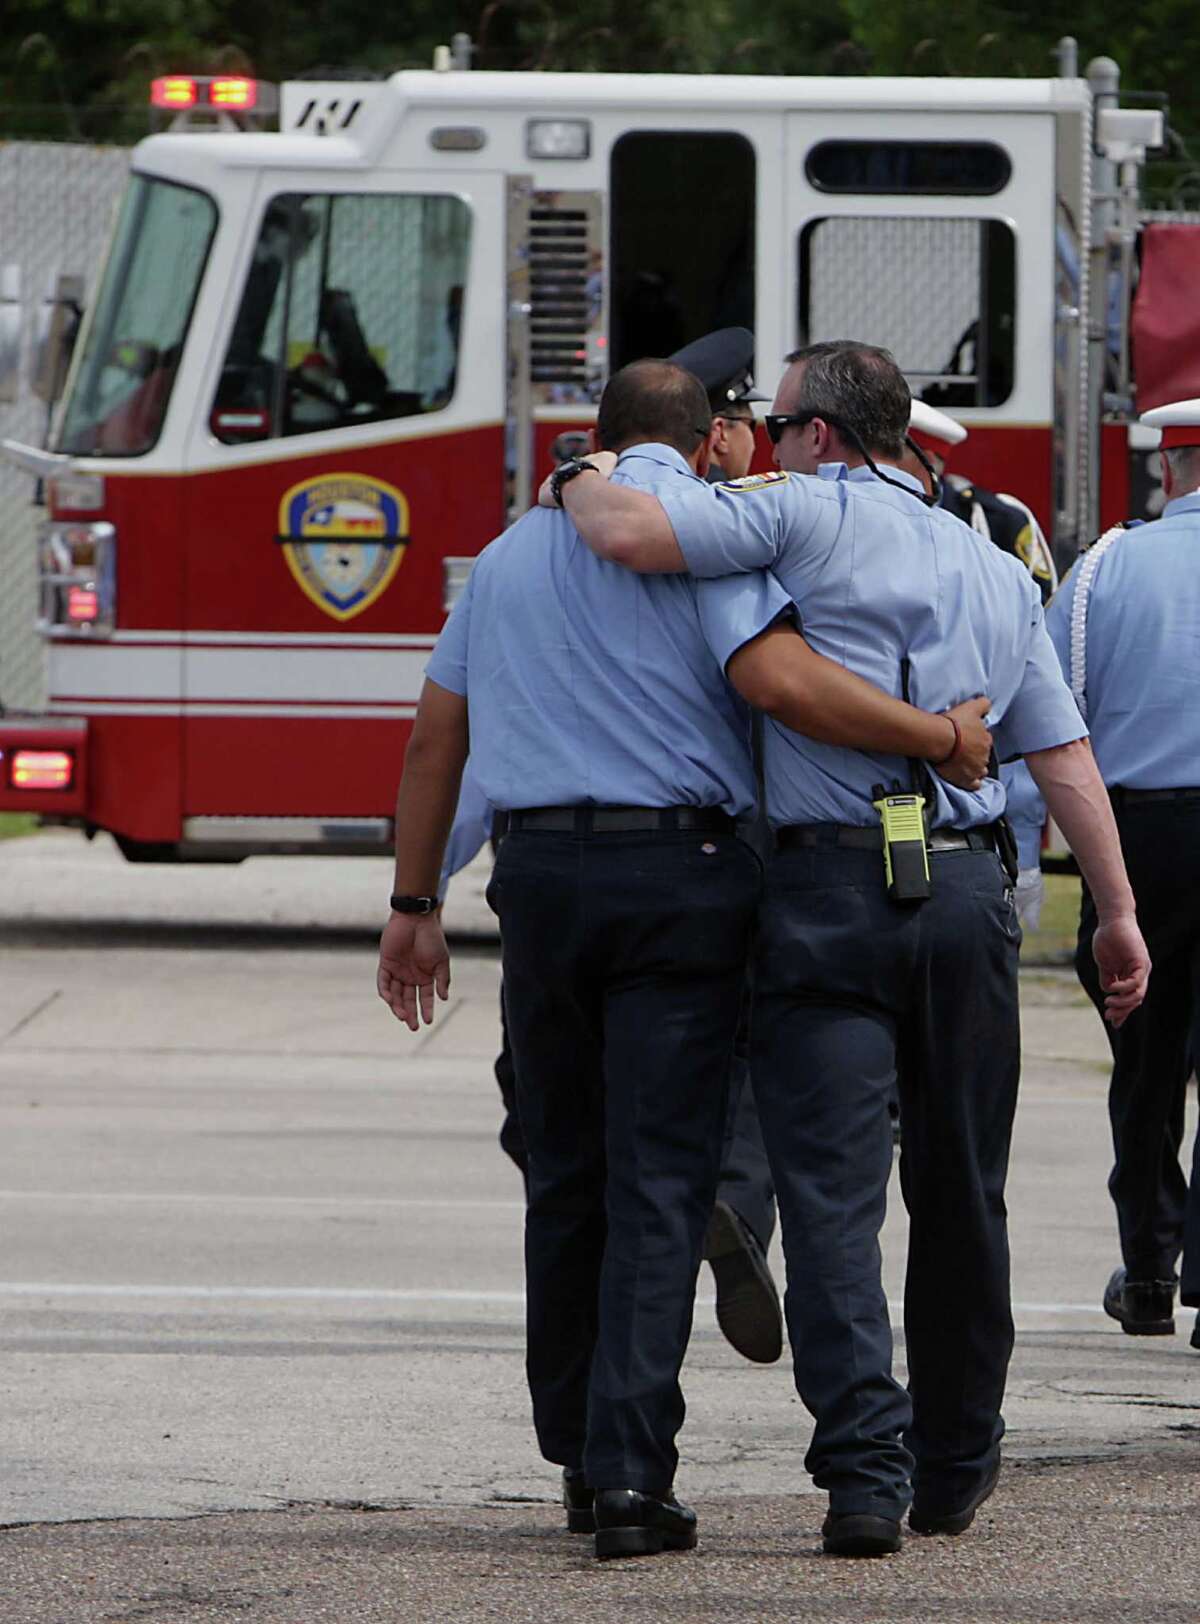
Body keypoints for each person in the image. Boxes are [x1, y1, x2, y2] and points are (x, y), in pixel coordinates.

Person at [378, 358, 996, 1563]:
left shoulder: (505, 558)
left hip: (539, 878)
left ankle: (575, 1451)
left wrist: (414, 900)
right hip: (681, 876)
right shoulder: (711, 548)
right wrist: (933, 740)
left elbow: (436, 735)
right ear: (708, 438)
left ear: (599, 435)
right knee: (661, 1178)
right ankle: (629, 1473)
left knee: (563, 1169)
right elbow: (778, 683)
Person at [547, 339, 1150, 1557]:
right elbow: (1063, 754)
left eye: (776, 426)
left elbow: (626, 532)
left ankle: (865, 1472)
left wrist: (578, 469)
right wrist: (1117, 910)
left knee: (830, 1202)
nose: (767, 444)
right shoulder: (996, 567)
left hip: (827, 887)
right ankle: (957, 1457)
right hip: (970, 893)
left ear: (818, 434)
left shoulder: (794, 514)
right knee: (964, 1185)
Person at [1044, 396, 1200, 1345]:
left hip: (1140, 837)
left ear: (1168, 468)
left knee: (1144, 1063)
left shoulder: (1104, 568)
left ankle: (1149, 1269)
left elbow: (1047, 709)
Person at [669, 326, 781, 1364]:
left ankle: (647, 1209)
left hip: (606, 845)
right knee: (754, 1038)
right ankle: (736, 1203)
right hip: (750, 824)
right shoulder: (759, 528)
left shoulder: (584, 519)